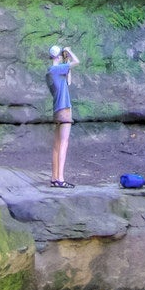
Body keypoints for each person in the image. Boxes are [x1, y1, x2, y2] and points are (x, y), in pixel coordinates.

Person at [47, 44, 79, 187]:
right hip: (65, 108)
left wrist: (66, 63)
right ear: (58, 56)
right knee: (64, 143)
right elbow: (77, 61)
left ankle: (54, 178)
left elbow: (68, 82)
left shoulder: (50, 72)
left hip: (56, 109)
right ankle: (60, 178)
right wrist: (70, 51)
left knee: (57, 144)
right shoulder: (58, 69)